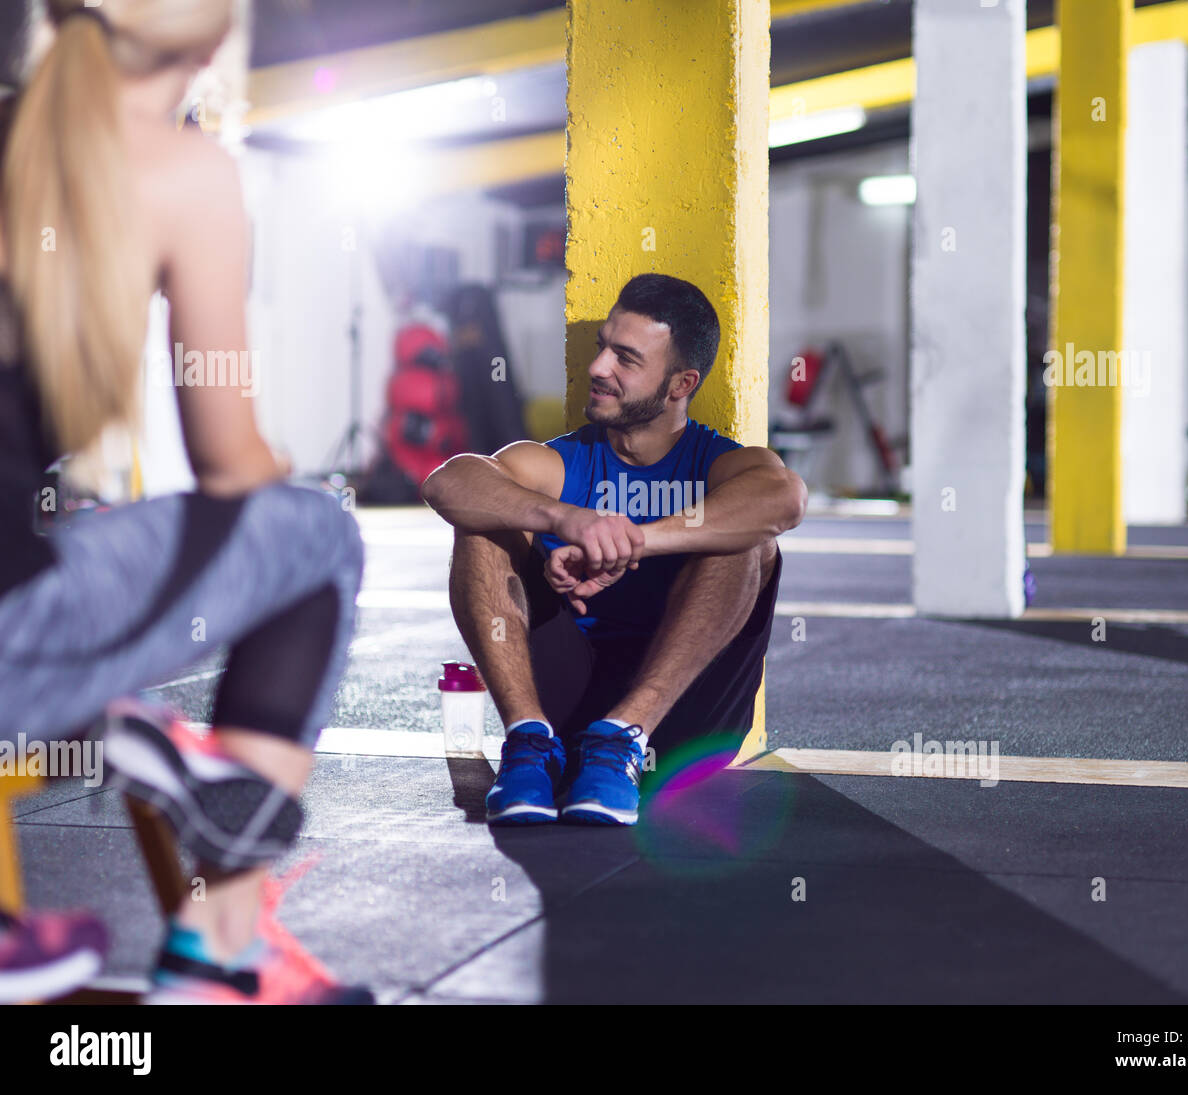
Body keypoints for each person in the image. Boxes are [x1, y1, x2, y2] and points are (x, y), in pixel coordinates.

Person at [0, 1, 369, 1004]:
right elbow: (229, 463)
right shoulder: (179, 169)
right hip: (12, 639)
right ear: (214, 43)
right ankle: (220, 937)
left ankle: (150, 768)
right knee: (317, 534)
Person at [423, 273, 807, 826]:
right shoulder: (563, 462)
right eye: (604, 346)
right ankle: (528, 744)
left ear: (680, 385)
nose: (599, 367)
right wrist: (568, 519)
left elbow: (784, 497)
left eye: (625, 358)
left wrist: (633, 542)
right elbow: (448, 482)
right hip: (567, 711)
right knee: (483, 521)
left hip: (684, 718)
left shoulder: (718, 463)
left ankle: (624, 737)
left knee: (746, 539)